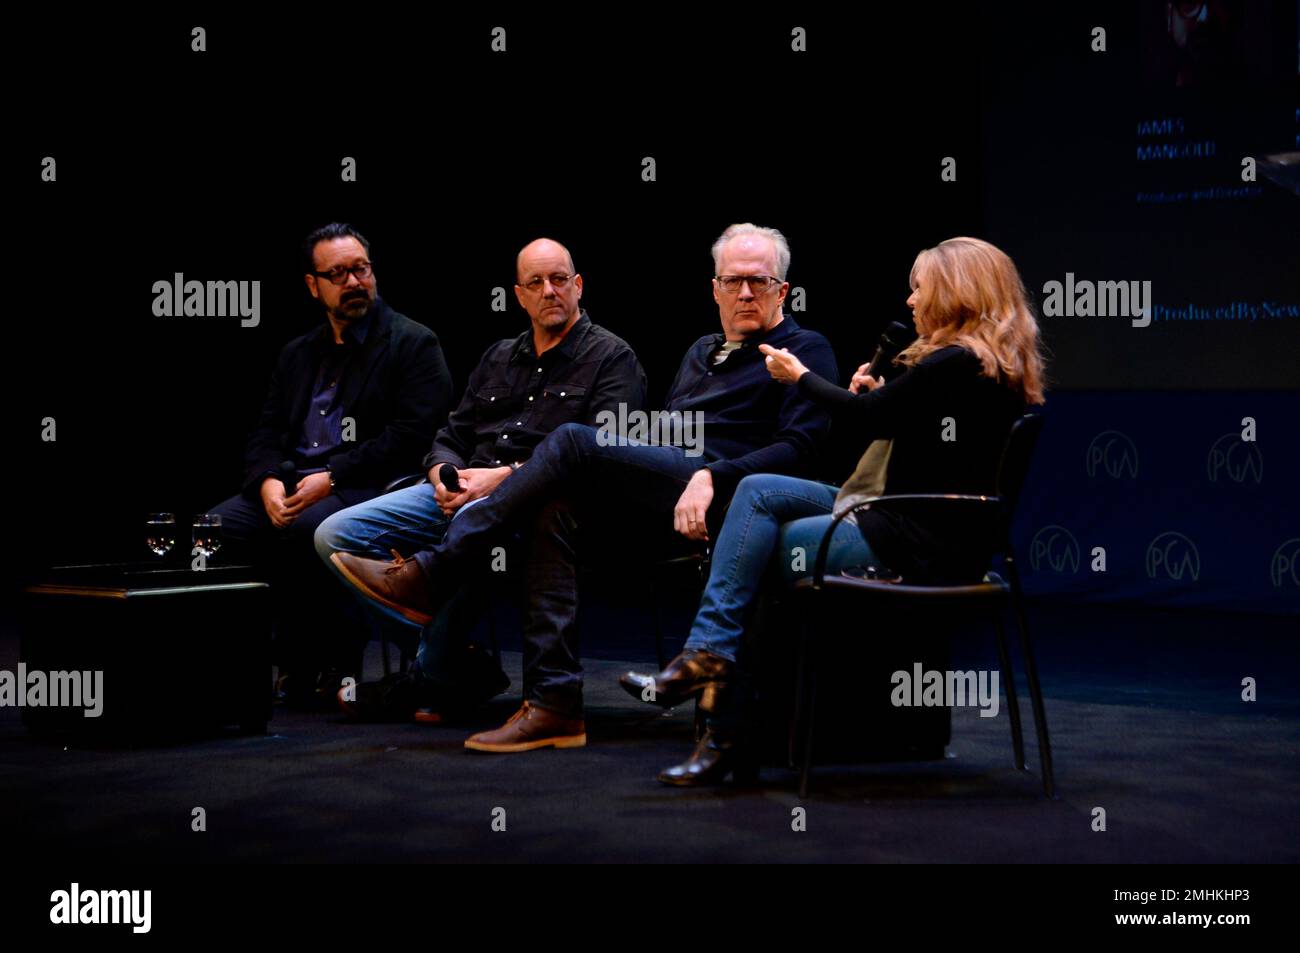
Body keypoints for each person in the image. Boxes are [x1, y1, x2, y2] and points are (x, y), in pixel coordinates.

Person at [327, 223, 839, 753]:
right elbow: (666, 431)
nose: (746, 294)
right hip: (670, 486)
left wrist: (714, 474)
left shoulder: (805, 348)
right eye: (733, 282)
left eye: (759, 281)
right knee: (555, 507)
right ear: (715, 289)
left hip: (727, 493)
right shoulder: (699, 352)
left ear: (783, 289)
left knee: (574, 440)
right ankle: (554, 706)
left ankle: (435, 570)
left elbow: (801, 447)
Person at [619, 236, 1047, 785]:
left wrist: (801, 378)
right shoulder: (984, 366)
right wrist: (871, 398)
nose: (911, 301)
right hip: (899, 515)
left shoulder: (954, 362)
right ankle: (708, 663)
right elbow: (883, 425)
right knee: (756, 491)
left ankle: (726, 728)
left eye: (919, 289)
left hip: (912, 538)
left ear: (954, 292)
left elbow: (874, 416)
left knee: (761, 545)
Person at [315, 238, 647, 719]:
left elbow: (604, 454)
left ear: (578, 286)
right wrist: (442, 475)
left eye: (559, 280)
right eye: (536, 283)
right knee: (334, 534)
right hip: (459, 493)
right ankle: (455, 664)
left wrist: (499, 480)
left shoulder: (612, 358)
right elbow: (450, 433)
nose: (549, 291)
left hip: (540, 508)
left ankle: (431, 675)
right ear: (519, 295)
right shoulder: (498, 357)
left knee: (476, 524)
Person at [208, 223, 454, 705]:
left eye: (360, 269)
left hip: (369, 485)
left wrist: (334, 475)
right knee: (214, 529)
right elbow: (266, 431)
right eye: (337, 274)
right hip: (293, 482)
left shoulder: (412, 343)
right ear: (312, 285)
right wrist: (267, 483)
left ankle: (325, 661)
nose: (354, 282)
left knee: (307, 529)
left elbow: (414, 436)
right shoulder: (298, 353)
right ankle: (238, 663)